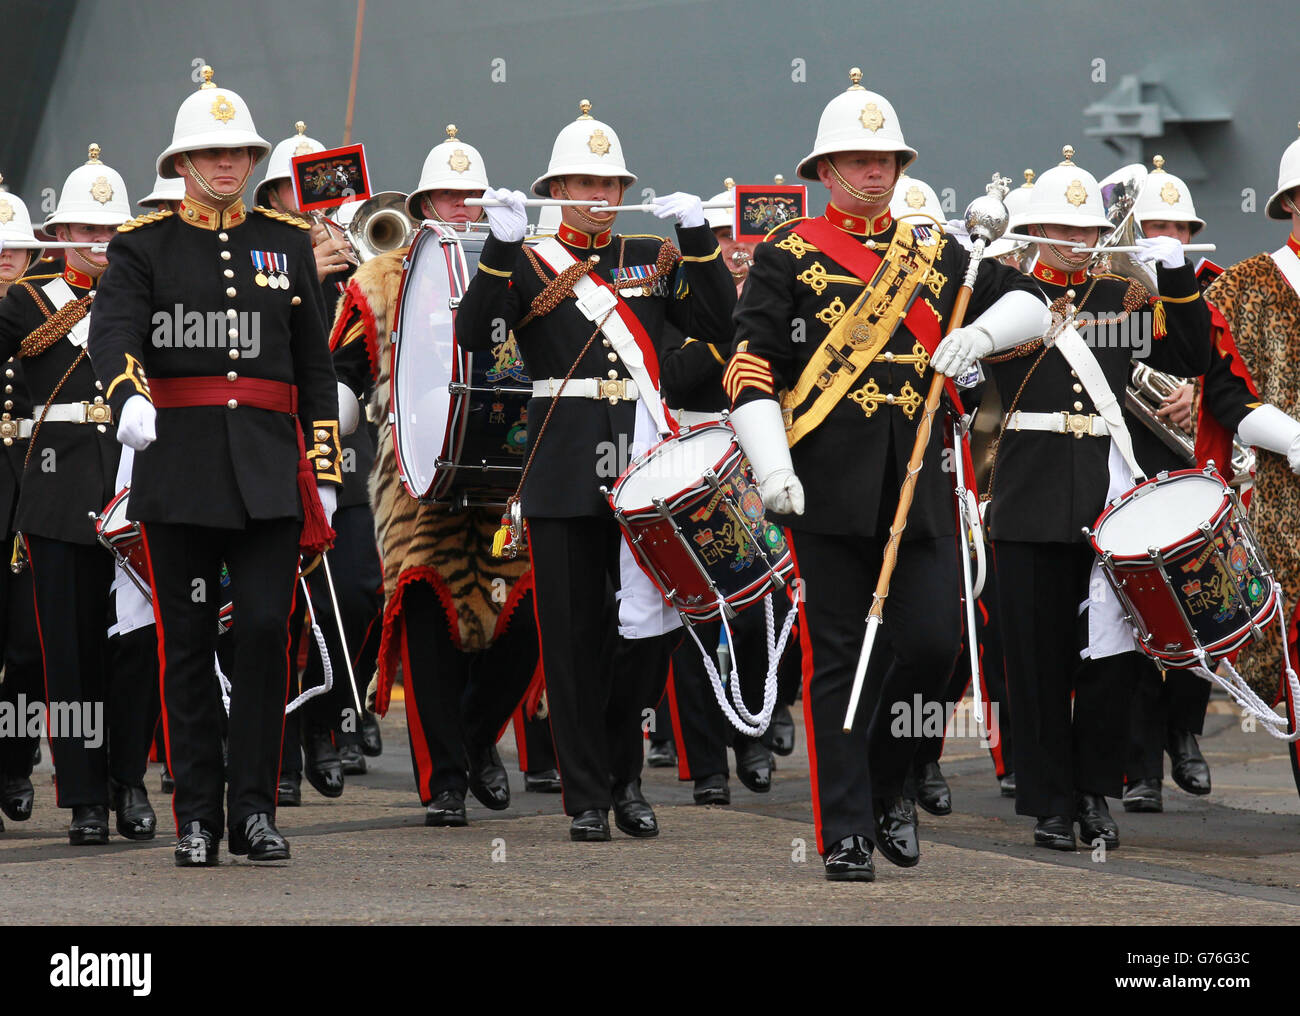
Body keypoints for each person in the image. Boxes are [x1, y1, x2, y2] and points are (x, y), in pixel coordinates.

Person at [724, 68, 1049, 881]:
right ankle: (844, 829)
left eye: (886, 160)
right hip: (823, 486)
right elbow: (750, 366)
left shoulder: (938, 251)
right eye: (858, 160)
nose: (875, 173)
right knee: (840, 657)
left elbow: (1037, 305)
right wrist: (770, 467)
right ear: (825, 170)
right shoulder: (786, 254)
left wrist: (977, 339)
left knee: (935, 646)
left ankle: (894, 777)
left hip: (921, 489)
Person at [456, 99, 737, 841]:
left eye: (611, 183)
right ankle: (586, 796)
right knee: (575, 642)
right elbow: (475, 336)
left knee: (651, 635)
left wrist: (700, 239)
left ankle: (623, 776)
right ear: (556, 187)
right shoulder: (527, 258)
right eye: (584, 181)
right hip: (565, 467)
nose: (600, 196)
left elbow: (720, 327)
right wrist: (497, 247)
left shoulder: (655, 254)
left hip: (646, 467)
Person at [87, 66, 341, 866]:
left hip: (268, 475)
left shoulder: (288, 244)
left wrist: (325, 463)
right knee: (188, 642)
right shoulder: (142, 246)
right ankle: (196, 816)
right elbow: (114, 331)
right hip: (182, 471)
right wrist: (128, 392)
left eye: (238, 150)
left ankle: (255, 810)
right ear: (181, 162)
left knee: (267, 632)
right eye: (210, 150)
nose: (227, 164)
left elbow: (314, 367)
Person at [981, 145, 1210, 852]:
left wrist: (1173, 273)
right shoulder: (1000, 290)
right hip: (1028, 496)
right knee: (1038, 657)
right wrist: (979, 240)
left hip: (1109, 500)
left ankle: (1094, 792)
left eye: (1087, 232)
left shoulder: (1123, 298)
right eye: (1064, 230)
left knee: (1112, 658)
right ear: (1037, 230)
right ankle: (1051, 801)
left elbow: (1188, 358)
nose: (1078, 243)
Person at [332, 124, 541, 826]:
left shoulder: (524, 266)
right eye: (448, 199)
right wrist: (328, 412)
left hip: (508, 474)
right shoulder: (378, 280)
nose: (461, 210)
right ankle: (444, 780)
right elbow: (345, 373)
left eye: (472, 198)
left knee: (525, 618)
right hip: (414, 482)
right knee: (427, 620)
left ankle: (478, 738)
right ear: (422, 208)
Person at [0, 144, 160, 846]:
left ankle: (128, 780)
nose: (98, 243)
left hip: (135, 484)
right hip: (59, 493)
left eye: (108, 231)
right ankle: (86, 797)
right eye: (86, 231)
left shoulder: (146, 291)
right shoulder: (28, 299)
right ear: (61, 235)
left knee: (138, 648)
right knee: (65, 655)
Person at [1195, 122, 1300, 794]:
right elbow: (1227, 395)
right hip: (1288, 508)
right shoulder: (1246, 287)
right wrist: (1294, 439)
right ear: (1291, 201)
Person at [1119, 156, 1214, 813]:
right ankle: (1140, 763)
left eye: (1181, 225)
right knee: (1133, 617)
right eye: (1157, 224)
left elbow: (1235, 364)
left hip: (1192, 462)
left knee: (1198, 602)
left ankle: (1186, 734)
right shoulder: (1109, 289)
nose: (1171, 235)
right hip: (1129, 460)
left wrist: (1198, 394)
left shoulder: (1213, 286)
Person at [0, 178, 44, 832]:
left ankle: (14, 759)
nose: (3, 260)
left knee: (32, 649)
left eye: (12, 252)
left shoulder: (53, 312)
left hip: (36, 489)